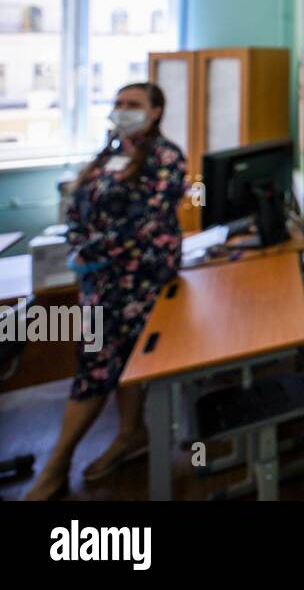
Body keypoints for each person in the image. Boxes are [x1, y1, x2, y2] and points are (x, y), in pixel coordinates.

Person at [25, 82, 186, 500]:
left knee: (97, 368)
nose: (122, 110)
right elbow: (78, 206)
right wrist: (77, 244)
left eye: (133, 104)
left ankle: (55, 467)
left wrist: (93, 249)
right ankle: (132, 435)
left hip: (139, 279)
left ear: (155, 112)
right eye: (118, 103)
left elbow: (145, 220)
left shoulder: (167, 158)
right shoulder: (109, 154)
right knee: (120, 361)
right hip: (99, 279)